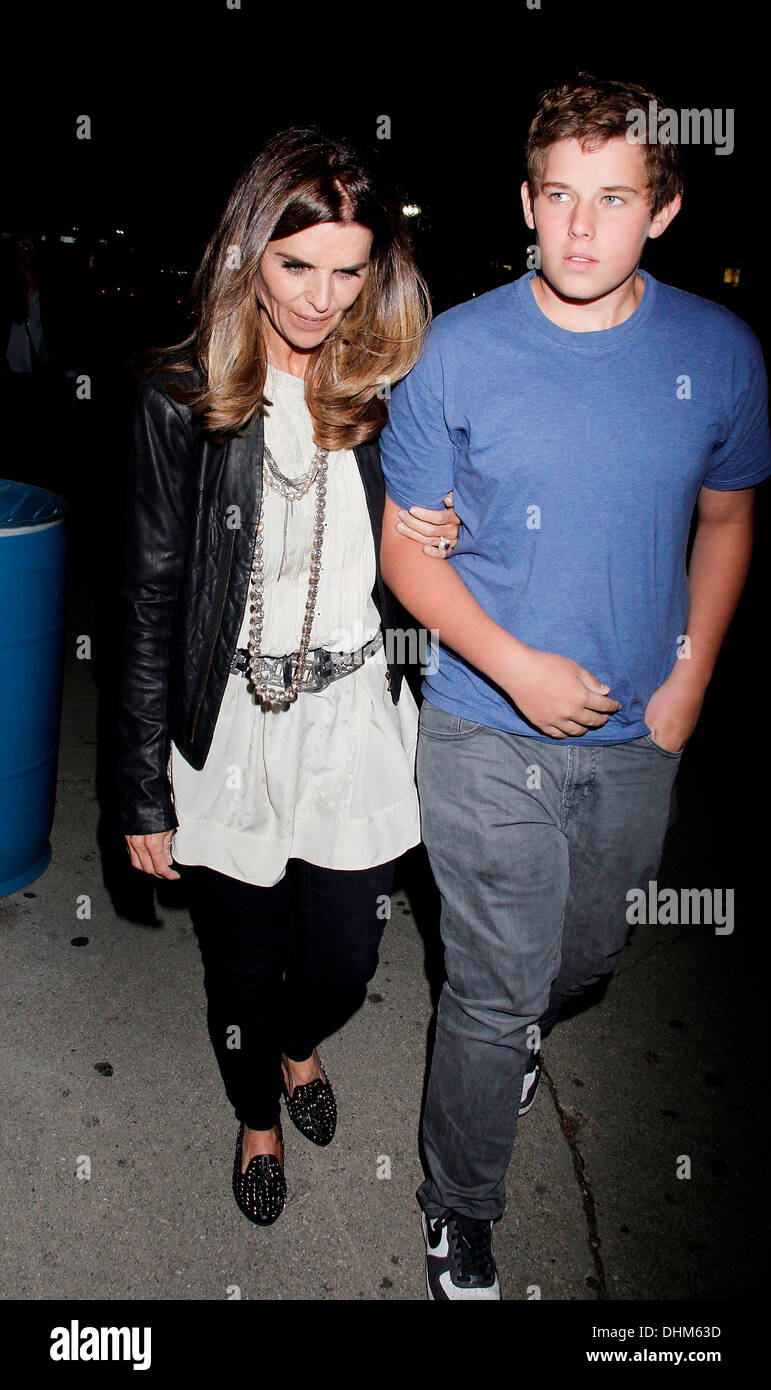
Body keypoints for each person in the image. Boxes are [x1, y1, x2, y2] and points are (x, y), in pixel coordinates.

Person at [380, 75, 771, 1298]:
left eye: (614, 198)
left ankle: (523, 1033)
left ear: (664, 209)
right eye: (560, 196)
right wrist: (515, 666)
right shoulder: (455, 351)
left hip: (638, 732)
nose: (582, 226)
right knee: (491, 988)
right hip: (483, 723)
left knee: (588, 956)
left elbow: (729, 519)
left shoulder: (720, 352)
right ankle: (460, 1210)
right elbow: (405, 548)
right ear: (526, 203)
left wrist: (691, 681)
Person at [116, 126, 459, 1227]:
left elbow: (452, 534)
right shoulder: (182, 395)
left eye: (348, 270)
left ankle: (299, 1041)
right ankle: (257, 1113)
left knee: (347, 958)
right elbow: (148, 601)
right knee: (242, 961)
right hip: (233, 722)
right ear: (248, 252)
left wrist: (449, 532)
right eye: (296, 264)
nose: (320, 298)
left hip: (354, 713)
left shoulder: (394, 388)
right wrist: (140, 789)